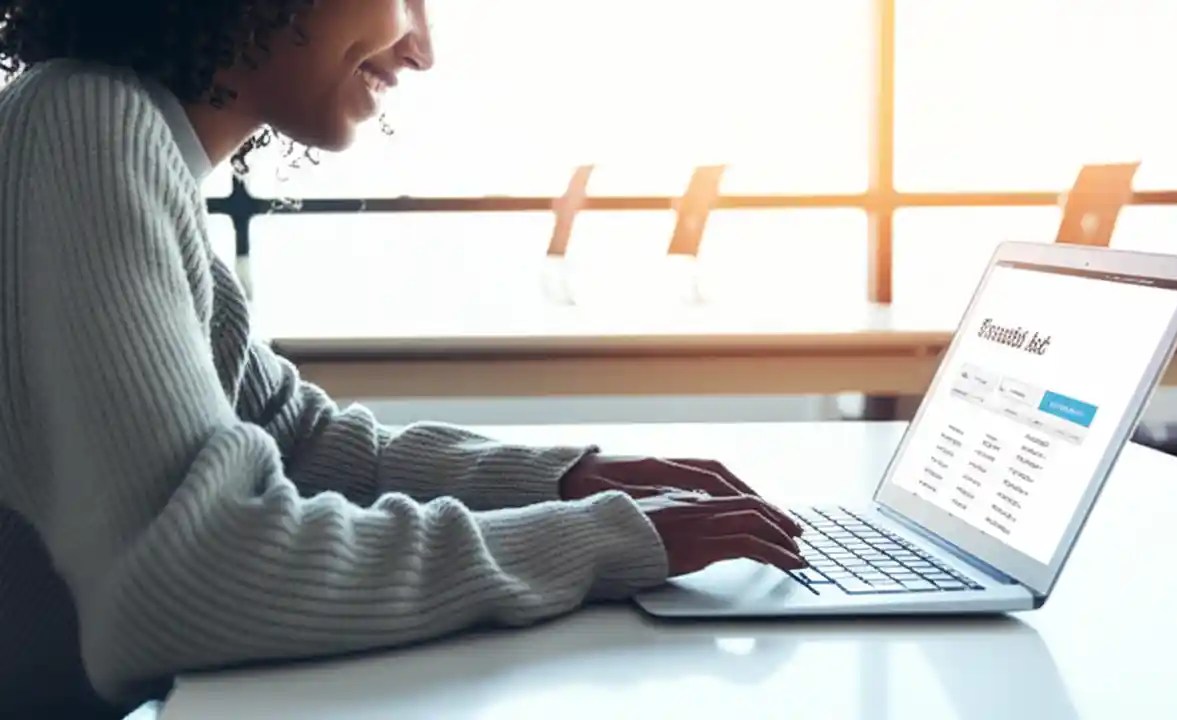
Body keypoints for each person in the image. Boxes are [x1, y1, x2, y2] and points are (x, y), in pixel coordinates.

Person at [0, 1, 807, 716]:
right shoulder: (88, 122)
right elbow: (189, 580)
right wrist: (593, 541)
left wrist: (566, 482)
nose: (419, 47)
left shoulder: (113, 131)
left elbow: (303, 447)